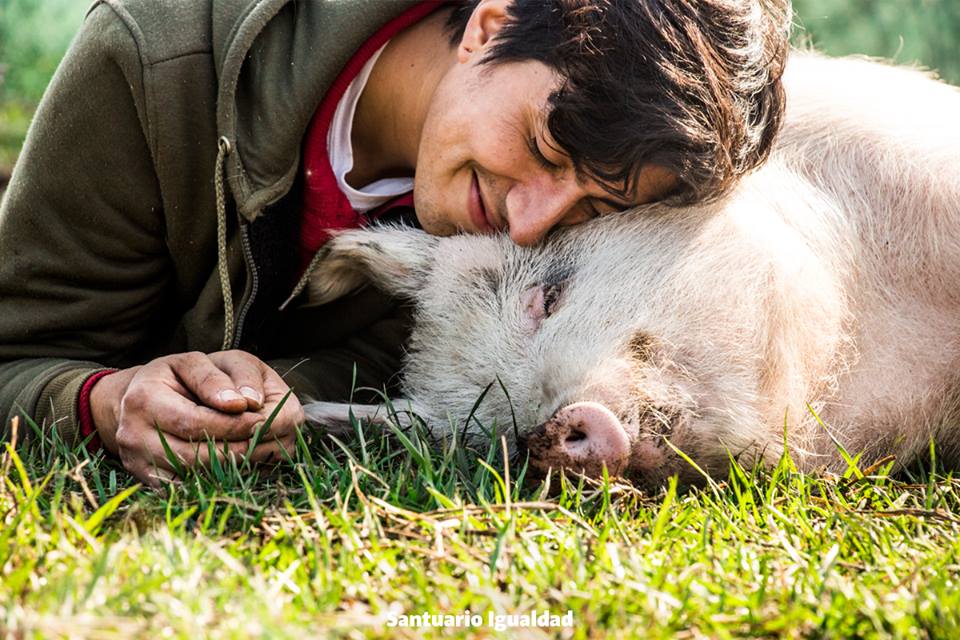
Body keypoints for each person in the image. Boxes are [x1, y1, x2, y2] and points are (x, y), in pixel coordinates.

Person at [0, 0, 789, 485]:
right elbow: (16, 354)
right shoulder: (152, 62)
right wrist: (101, 403)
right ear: (489, 26)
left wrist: (284, 395)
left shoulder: (564, 228)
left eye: (589, 208)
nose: (528, 225)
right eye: (544, 150)